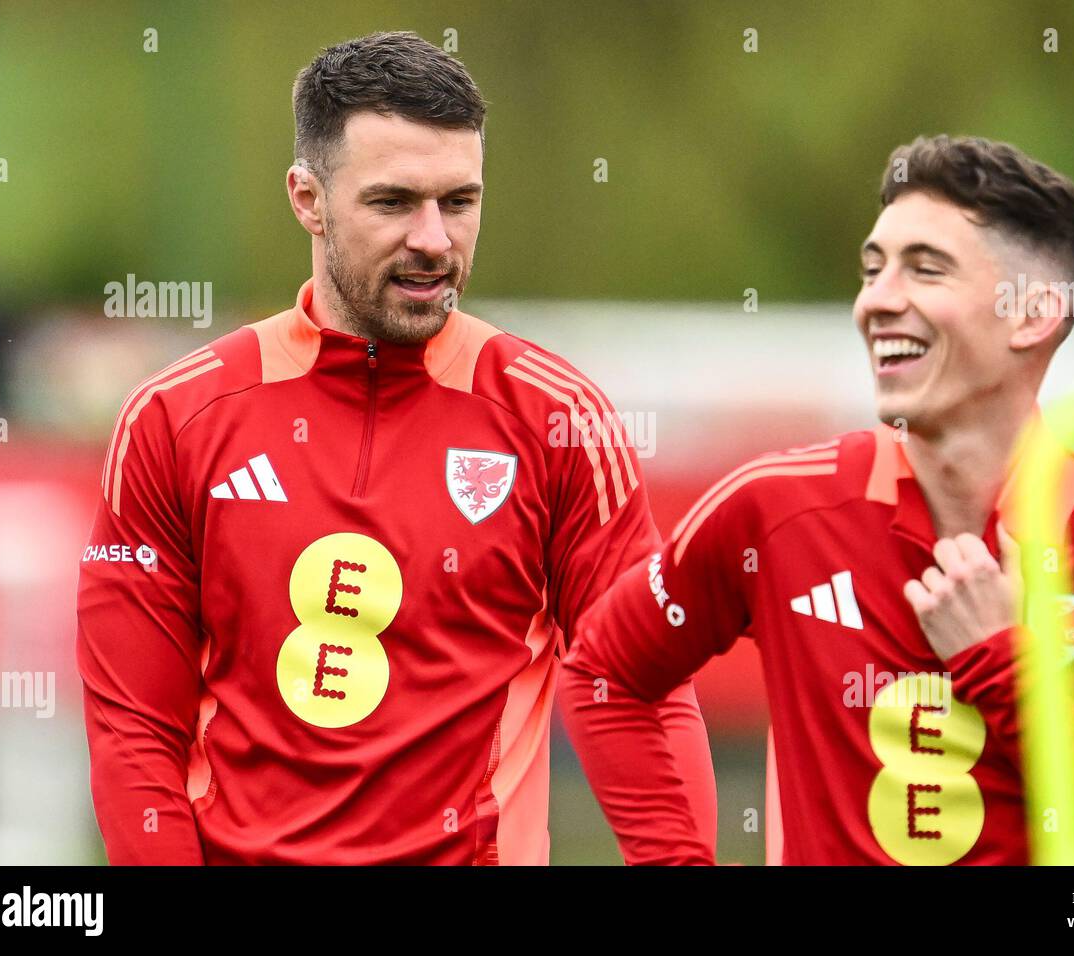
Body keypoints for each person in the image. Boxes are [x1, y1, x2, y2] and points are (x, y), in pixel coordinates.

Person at [76, 31, 715, 865]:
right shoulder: (176, 419)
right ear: (308, 199)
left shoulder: (559, 421)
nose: (434, 240)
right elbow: (133, 730)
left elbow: (644, 687)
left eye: (459, 201)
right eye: (393, 202)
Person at [560, 135, 1074, 865]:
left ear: (1033, 314)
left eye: (925, 270)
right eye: (872, 270)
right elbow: (604, 674)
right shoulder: (776, 507)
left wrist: (1003, 668)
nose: (875, 303)